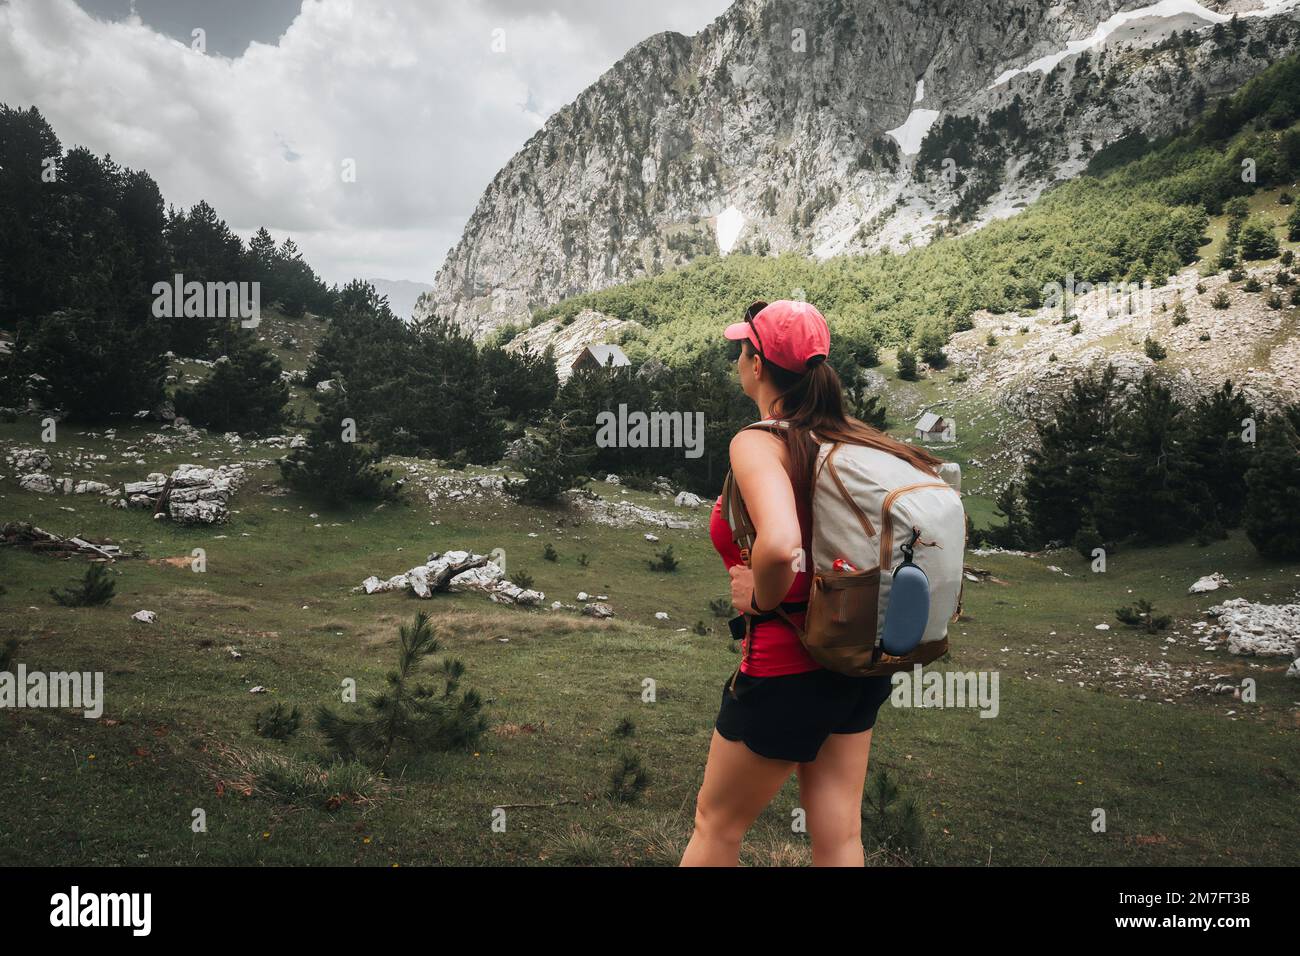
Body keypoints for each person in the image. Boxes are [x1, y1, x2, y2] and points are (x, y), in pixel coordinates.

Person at [679, 299, 944, 867]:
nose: (738, 361)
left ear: (756, 364)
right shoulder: (852, 440)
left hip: (785, 669)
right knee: (840, 835)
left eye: (740, 350)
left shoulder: (760, 441)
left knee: (716, 827)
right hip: (854, 660)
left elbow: (778, 545)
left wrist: (761, 594)